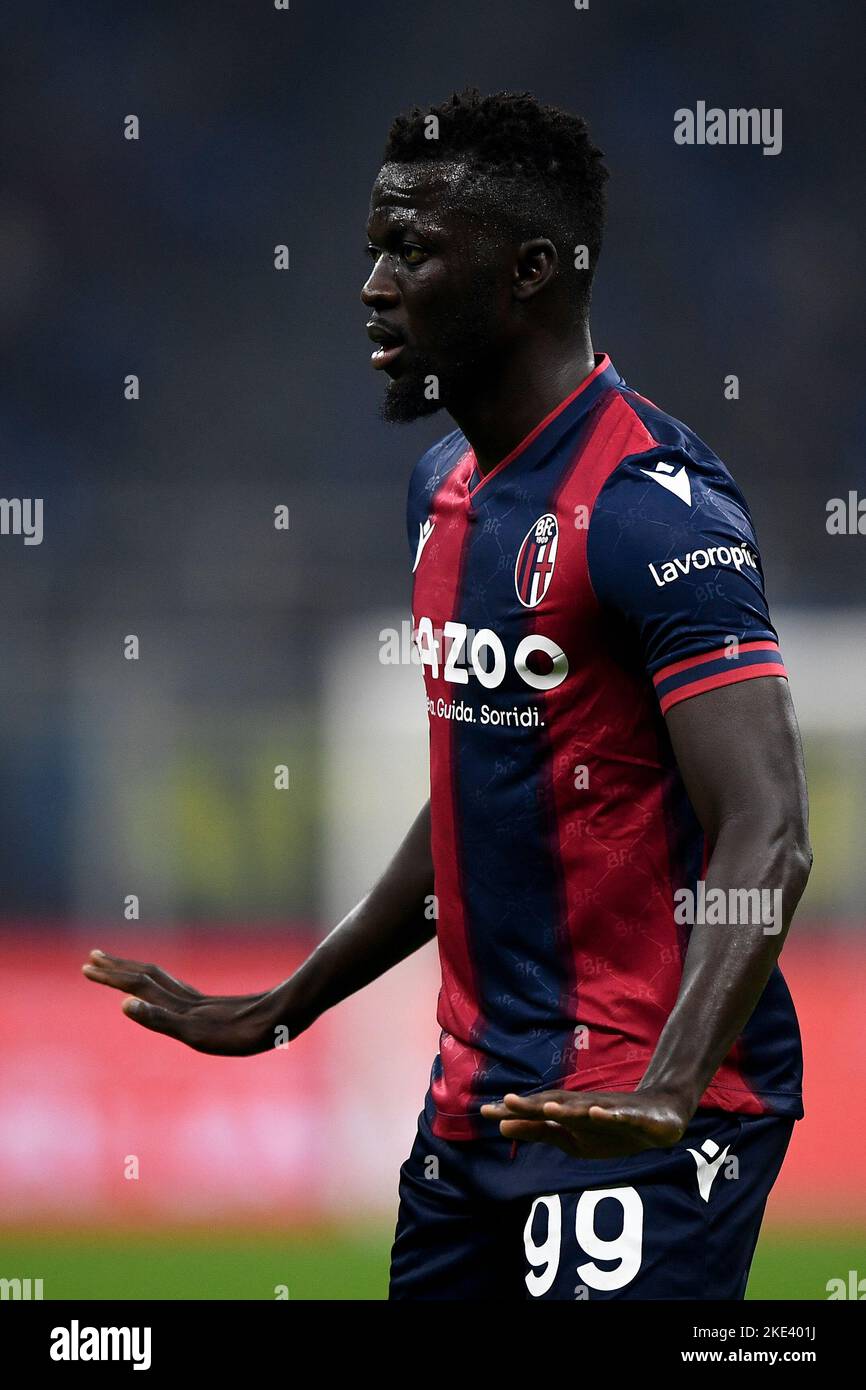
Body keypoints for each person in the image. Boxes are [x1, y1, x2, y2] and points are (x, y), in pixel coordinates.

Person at [83, 89, 811, 1300]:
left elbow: (767, 827)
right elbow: (481, 794)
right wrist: (287, 1003)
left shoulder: (651, 508)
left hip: (643, 1119)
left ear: (529, 270)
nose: (371, 284)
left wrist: (667, 1083)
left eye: (409, 248)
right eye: (374, 245)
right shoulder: (442, 488)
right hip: (479, 1107)